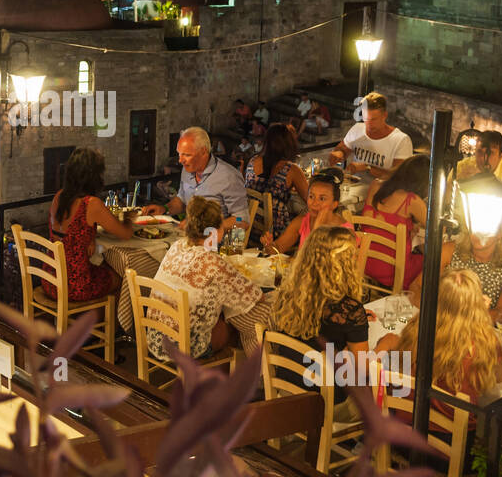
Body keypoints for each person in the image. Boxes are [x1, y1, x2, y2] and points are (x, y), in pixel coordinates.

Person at [376, 269, 502, 431]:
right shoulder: (482, 342)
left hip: (404, 433)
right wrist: (483, 321)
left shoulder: (416, 329)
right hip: (451, 446)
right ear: (476, 304)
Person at [266, 225, 370, 415]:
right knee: (388, 384)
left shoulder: (288, 295)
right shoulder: (350, 310)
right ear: (344, 263)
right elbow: (362, 370)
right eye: (353, 255)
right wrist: (385, 347)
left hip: (287, 386)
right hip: (324, 401)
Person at [149, 197, 264, 361]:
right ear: (214, 232)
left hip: (155, 335)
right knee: (237, 323)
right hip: (182, 346)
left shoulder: (177, 246)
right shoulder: (214, 263)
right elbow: (255, 297)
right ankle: (225, 381)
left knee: (219, 313)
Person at [43, 148, 133, 304]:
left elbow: (69, 234)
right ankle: (110, 325)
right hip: (74, 286)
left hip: (50, 279)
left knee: (103, 266)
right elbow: (125, 234)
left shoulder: (59, 196)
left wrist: (90, 239)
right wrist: (130, 217)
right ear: (93, 176)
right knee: (123, 277)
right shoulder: (91, 204)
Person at [407, 221, 502, 320]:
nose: (480, 233)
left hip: (478, 337)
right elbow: (416, 287)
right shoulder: (448, 251)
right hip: (440, 325)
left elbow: (501, 316)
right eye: (476, 226)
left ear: (499, 234)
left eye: (487, 228)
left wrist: (451, 314)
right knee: (401, 350)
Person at [142, 127, 249, 229]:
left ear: (203, 152)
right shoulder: (187, 169)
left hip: (213, 243)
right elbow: (182, 201)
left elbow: (242, 220)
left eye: (187, 155)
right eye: (179, 154)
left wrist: (203, 227)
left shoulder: (229, 177)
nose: (180, 160)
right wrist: (164, 209)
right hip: (189, 237)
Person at [360, 155, 430, 290]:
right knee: (436, 264)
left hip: (364, 260)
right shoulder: (412, 200)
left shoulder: (376, 185)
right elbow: (436, 229)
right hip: (392, 270)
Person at [245, 123, 309, 241]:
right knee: (308, 217)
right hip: (274, 233)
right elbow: (311, 199)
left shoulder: (253, 161)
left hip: (250, 226)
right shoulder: (291, 169)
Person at [329, 91, 413, 180]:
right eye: (365, 118)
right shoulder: (357, 129)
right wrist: (339, 153)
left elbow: (399, 177)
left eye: (374, 119)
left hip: (382, 191)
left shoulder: (401, 140)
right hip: (354, 186)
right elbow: (342, 149)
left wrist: (367, 167)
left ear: (384, 115)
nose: (369, 124)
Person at [266, 169, 352, 254]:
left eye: (322, 198)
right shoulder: (303, 221)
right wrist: (269, 245)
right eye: (311, 196)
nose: (315, 203)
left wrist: (317, 230)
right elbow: (278, 248)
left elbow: (319, 262)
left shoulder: (344, 232)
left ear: (334, 204)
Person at [456, 130, 502, 201]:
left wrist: (478, 180)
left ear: (501, 156)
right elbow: (446, 198)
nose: (483, 158)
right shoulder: (462, 167)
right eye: (480, 152)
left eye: (490, 153)